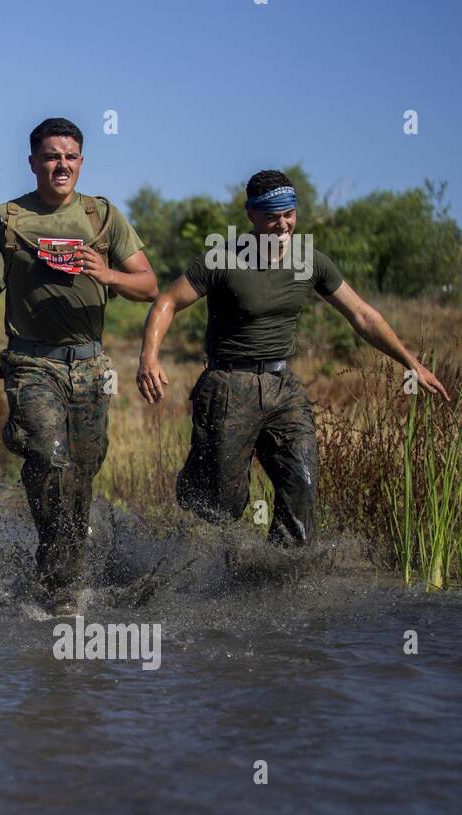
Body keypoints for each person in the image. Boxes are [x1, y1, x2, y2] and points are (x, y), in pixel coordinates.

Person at [137, 168, 449, 545]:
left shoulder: (310, 260)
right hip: (229, 386)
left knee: (301, 482)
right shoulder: (222, 259)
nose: (283, 224)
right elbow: (166, 302)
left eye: (289, 213)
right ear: (251, 214)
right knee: (223, 502)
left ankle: (282, 573)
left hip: (284, 387)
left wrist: (411, 362)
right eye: (271, 215)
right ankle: (198, 487)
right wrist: (149, 358)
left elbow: (362, 315)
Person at [0, 117, 157, 614]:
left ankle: (59, 565)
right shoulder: (5, 218)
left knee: (81, 473)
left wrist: (105, 272)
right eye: (50, 156)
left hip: (90, 363)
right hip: (29, 361)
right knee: (50, 456)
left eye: (69, 156)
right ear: (33, 162)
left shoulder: (103, 216)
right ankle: (61, 590)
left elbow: (149, 286)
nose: (60, 165)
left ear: (81, 162)